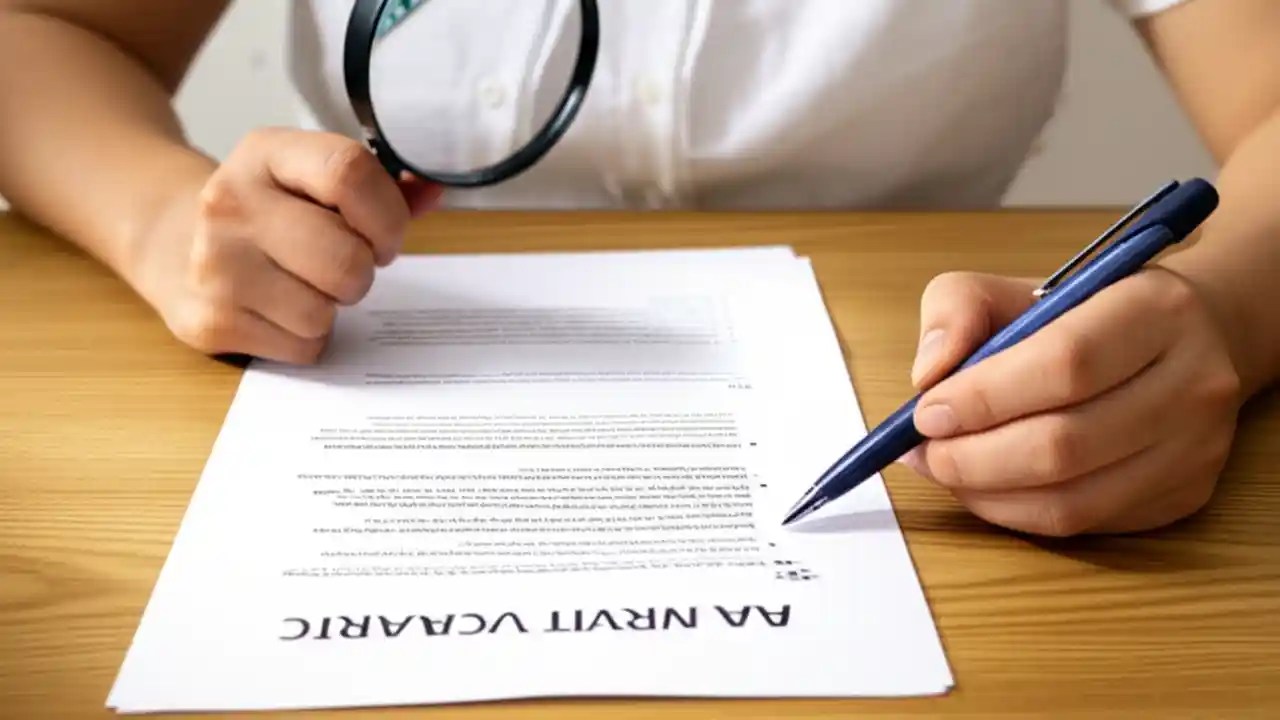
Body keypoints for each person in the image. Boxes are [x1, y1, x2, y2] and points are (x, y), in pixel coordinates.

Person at [1, 0, 1277, 539]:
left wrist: (1224, 303)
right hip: (363, 361)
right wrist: (165, 218)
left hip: (937, 408)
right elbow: (38, 32)